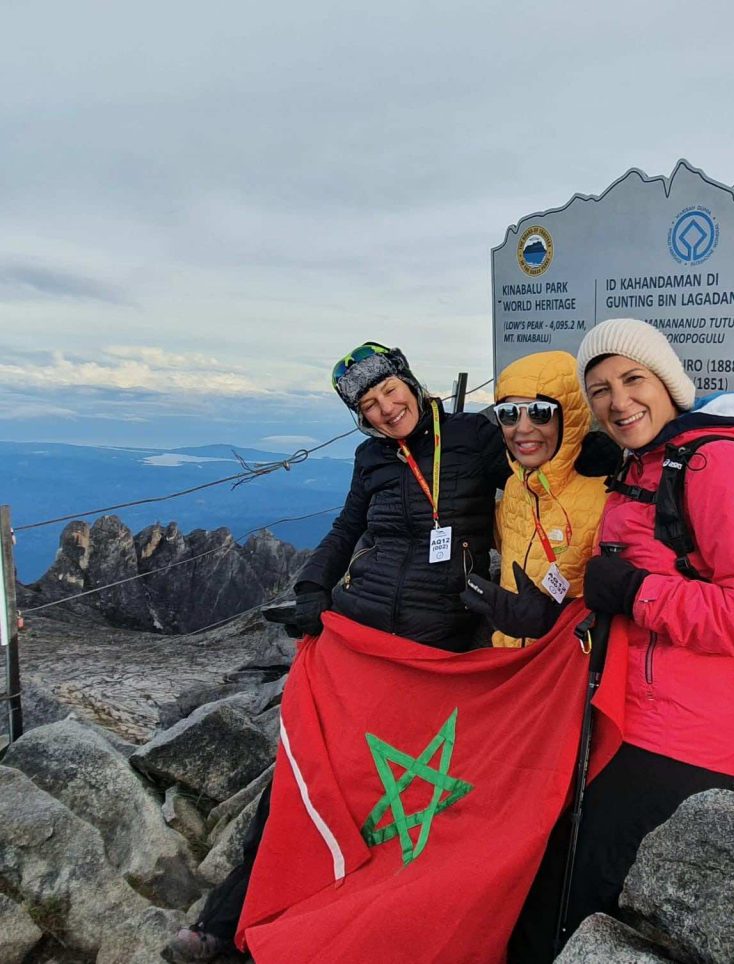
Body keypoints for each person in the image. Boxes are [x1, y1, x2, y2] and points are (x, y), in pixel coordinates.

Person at [167, 342, 509, 962]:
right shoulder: (371, 459)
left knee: (384, 791)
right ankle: (232, 918)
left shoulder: (473, 438)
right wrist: (311, 586)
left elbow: (537, 485)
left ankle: (340, 915)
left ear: (409, 381)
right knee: (306, 776)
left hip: (439, 642)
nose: (384, 409)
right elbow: (347, 529)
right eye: (368, 405)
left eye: (388, 392)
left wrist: (585, 456)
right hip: (363, 636)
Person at [508, 318, 734, 962]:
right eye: (600, 390)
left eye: (632, 379)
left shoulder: (718, 463)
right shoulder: (644, 466)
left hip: (684, 734)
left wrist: (637, 592)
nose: (619, 401)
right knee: (541, 871)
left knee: (560, 906)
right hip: (627, 713)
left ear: (668, 382)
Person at [460, 350, 612, 647]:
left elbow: (619, 606)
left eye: (540, 412)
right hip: (509, 657)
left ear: (569, 417)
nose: (523, 428)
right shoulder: (515, 487)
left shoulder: (605, 497)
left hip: (564, 666)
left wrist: (550, 618)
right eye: (509, 414)